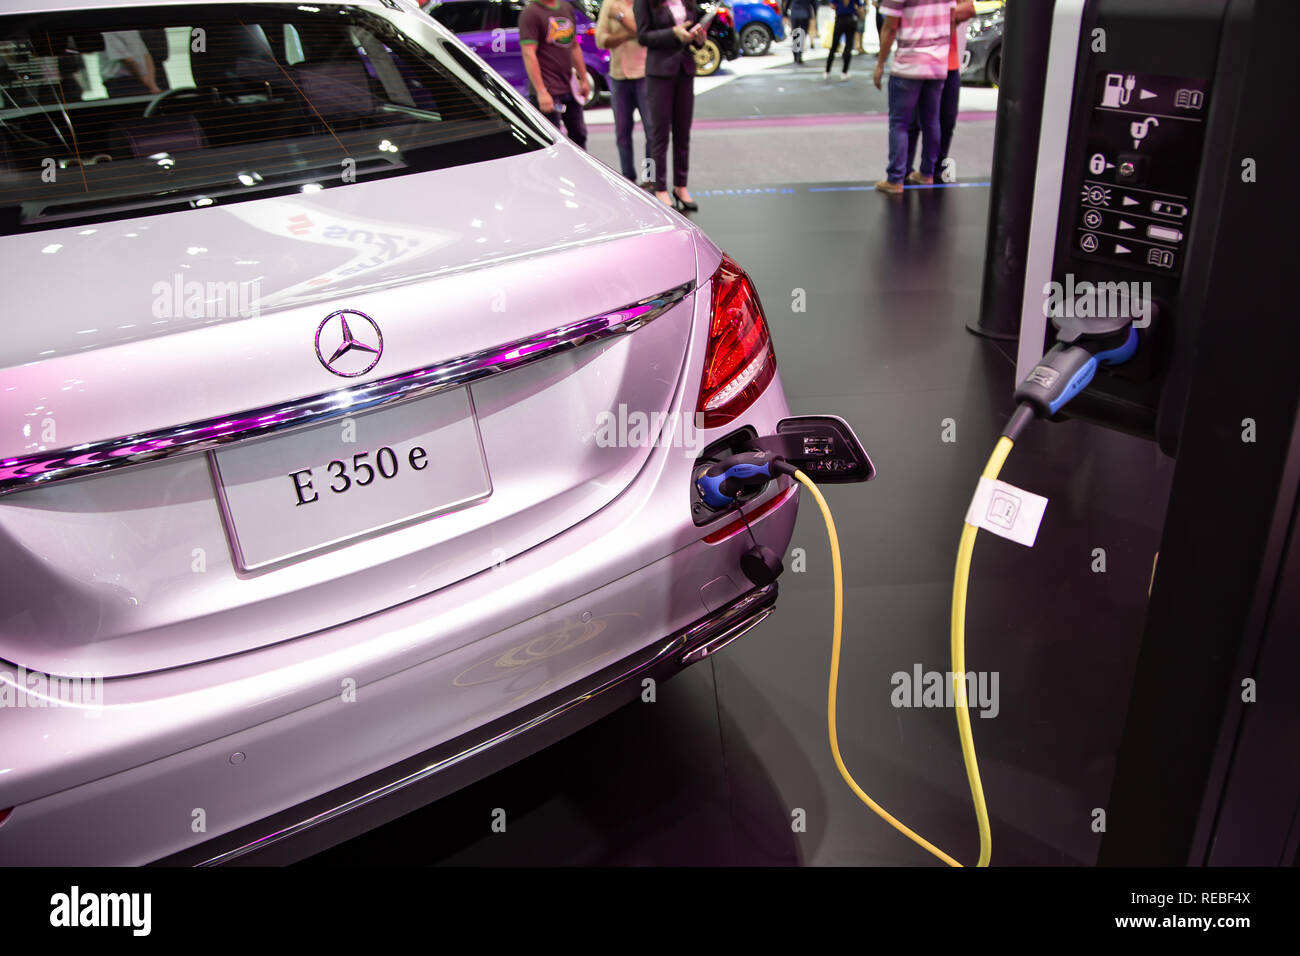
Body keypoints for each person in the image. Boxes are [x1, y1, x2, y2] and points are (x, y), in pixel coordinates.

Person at [872, 0, 952, 195]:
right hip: (937, 63)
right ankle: (926, 173)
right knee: (931, 121)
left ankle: (895, 179)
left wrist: (880, 64)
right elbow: (951, 17)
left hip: (909, 64)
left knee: (899, 123)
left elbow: (890, 27)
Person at [636, 0, 704, 210]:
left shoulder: (687, 2)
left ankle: (680, 186)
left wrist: (699, 38)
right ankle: (660, 187)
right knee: (659, 134)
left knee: (683, 132)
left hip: (685, 69)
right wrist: (673, 32)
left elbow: (693, 36)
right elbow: (643, 36)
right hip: (659, 72)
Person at [906, 0, 973, 183]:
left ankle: (934, 169)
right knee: (912, 122)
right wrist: (948, 17)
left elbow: (968, 9)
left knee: (946, 120)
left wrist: (935, 17)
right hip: (917, 61)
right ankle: (904, 170)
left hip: (947, 64)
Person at [519, 0, 591, 149]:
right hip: (548, 90)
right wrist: (541, 91)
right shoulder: (530, 13)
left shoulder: (566, 7)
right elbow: (528, 53)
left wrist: (583, 79)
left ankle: (577, 171)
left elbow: (574, 47)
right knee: (550, 143)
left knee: (579, 137)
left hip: (569, 87)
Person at [596, 0, 652, 184]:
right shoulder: (610, 4)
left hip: (645, 75)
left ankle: (649, 177)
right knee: (622, 133)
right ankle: (628, 177)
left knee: (652, 132)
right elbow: (600, 40)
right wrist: (631, 34)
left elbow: (646, 34)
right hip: (619, 77)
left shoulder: (644, 4)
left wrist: (621, 19)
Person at [98, 30, 162, 98]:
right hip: (121, 83)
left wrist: (152, 84)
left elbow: (146, 55)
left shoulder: (131, 30)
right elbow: (127, 60)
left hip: (140, 80)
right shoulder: (109, 32)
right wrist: (151, 84)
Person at [825, 0, 864, 80]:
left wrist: (839, 8)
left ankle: (827, 71)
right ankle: (844, 72)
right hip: (851, 19)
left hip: (840, 20)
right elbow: (860, 7)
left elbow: (832, 5)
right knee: (848, 46)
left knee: (834, 46)